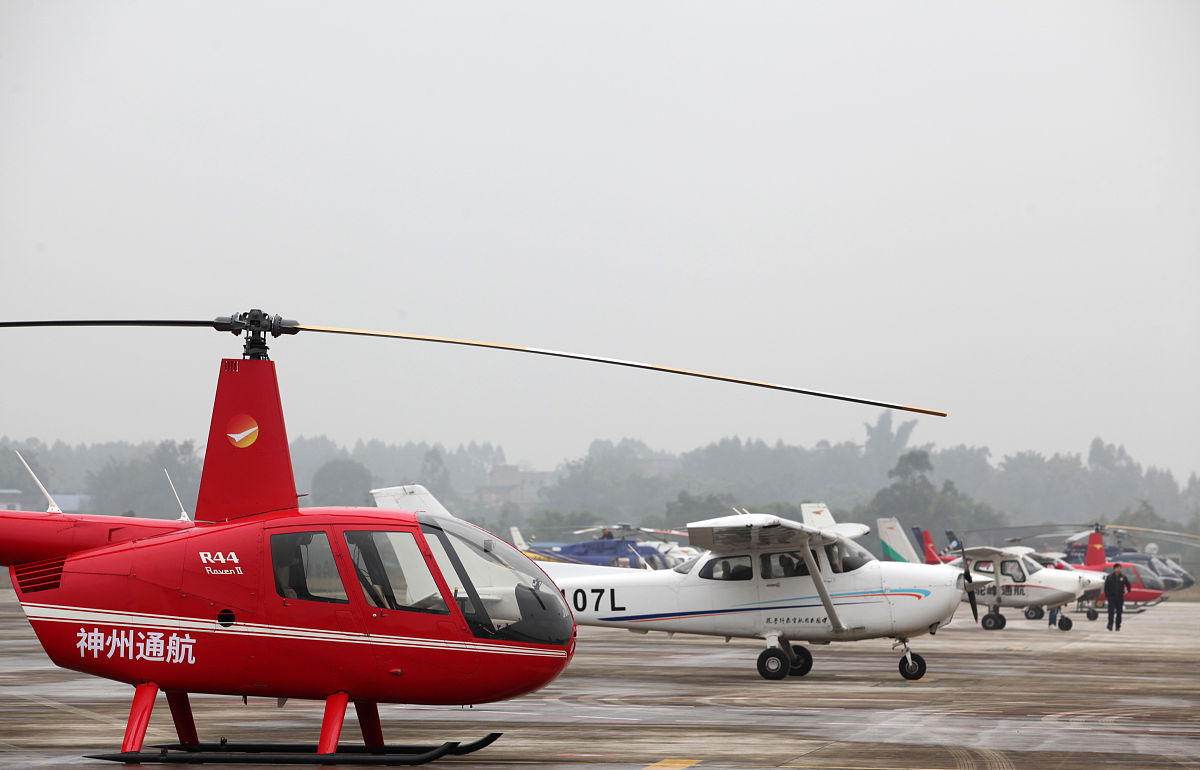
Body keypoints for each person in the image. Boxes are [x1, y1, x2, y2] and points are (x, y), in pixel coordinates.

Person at [1104, 563, 1132, 631]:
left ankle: (1118, 626)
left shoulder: (1123, 577)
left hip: (1120, 597)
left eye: (1120, 568)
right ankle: (1110, 625)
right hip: (1112, 598)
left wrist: (1127, 590)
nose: (1119, 569)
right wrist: (1108, 595)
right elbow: (1106, 587)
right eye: (1118, 568)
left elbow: (1128, 585)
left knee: (1119, 612)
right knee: (1111, 612)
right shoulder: (1110, 577)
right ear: (1114, 569)